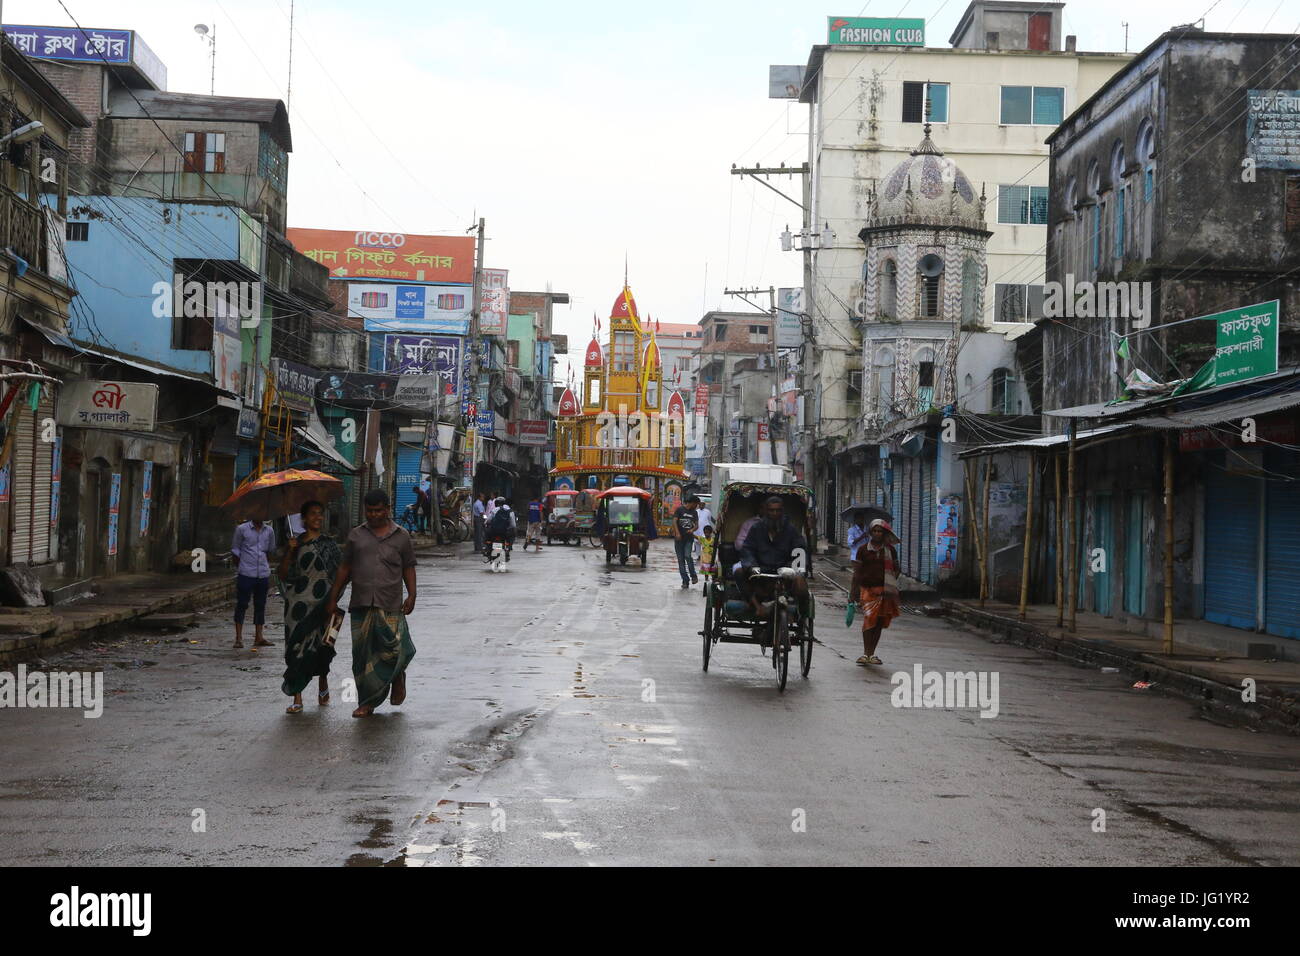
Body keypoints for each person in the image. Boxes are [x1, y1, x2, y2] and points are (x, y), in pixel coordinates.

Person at [324, 489, 418, 718]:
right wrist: (333, 597)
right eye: (370, 511)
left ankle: (398, 676)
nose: (374, 515)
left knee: (396, 651)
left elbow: (408, 566)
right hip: (361, 604)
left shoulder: (402, 536)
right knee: (362, 657)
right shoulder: (356, 536)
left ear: (387, 509)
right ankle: (367, 702)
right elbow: (345, 569)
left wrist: (412, 594)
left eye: (378, 510)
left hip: (390, 604)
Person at [277, 500, 342, 714]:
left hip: (323, 605)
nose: (317, 517)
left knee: (323, 647)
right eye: (313, 514)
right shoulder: (295, 544)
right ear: (303, 519)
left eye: (320, 513)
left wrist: (332, 600)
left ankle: (323, 686)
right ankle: (297, 697)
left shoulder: (329, 544)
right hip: (297, 608)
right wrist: (289, 551)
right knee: (297, 650)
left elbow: (340, 575)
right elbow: (283, 575)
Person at [737, 495, 809, 618]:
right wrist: (752, 565)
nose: (775, 513)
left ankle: (801, 615)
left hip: (784, 572)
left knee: (801, 585)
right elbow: (747, 549)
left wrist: (793, 568)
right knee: (739, 572)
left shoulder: (791, 530)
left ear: (782, 511)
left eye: (778, 510)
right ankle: (756, 606)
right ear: (766, 511)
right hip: (761, 571)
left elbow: (800, 551)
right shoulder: (756, 528)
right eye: (771, 510)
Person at [851, 519, 901, 666]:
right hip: (867, 591)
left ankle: (872, 654)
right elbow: (857, 573)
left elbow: (897, 568)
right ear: (871, 532)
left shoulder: (890, 550)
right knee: (868, 620)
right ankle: (865, 653)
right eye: (875, 531)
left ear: (884, 533)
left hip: (884, 591)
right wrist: (852, 593)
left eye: (880, 531)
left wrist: (891, 581)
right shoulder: (863, 550)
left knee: (879, 622)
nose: (877, 534)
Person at [231, 516, 276, 649]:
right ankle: (238, 638)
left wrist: (264, 565)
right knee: (242, 604)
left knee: (260, 605)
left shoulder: (269, 531)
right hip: (246, 573)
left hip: (262, 573)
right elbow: (235, 550)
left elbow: (270, 550)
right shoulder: (241, 529)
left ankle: (259, 637)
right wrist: (241, 567)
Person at [671, 496, 699, 588]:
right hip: (679, 539)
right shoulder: (680, 510)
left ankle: (693, 575)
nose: (697, 506)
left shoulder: (694, 513)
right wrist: (677, 533)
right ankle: (685, 580)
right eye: (696, 504)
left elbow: (696, 525)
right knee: (681, 560)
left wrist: (692, 530)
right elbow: (674, 521)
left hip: (689, 539)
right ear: (692, 503)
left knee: (687, 556)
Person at [692, 496, 714, 561]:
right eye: (700, 504)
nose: (701, 505)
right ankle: (698, 556)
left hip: (705, 530)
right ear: (698, 505)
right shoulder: (696, 511)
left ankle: (706, 555)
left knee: (705, 543)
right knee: (697, 543)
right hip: (697, 530)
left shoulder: (708, 511)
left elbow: (710, 520)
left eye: (703, 504)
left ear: (704, 505)